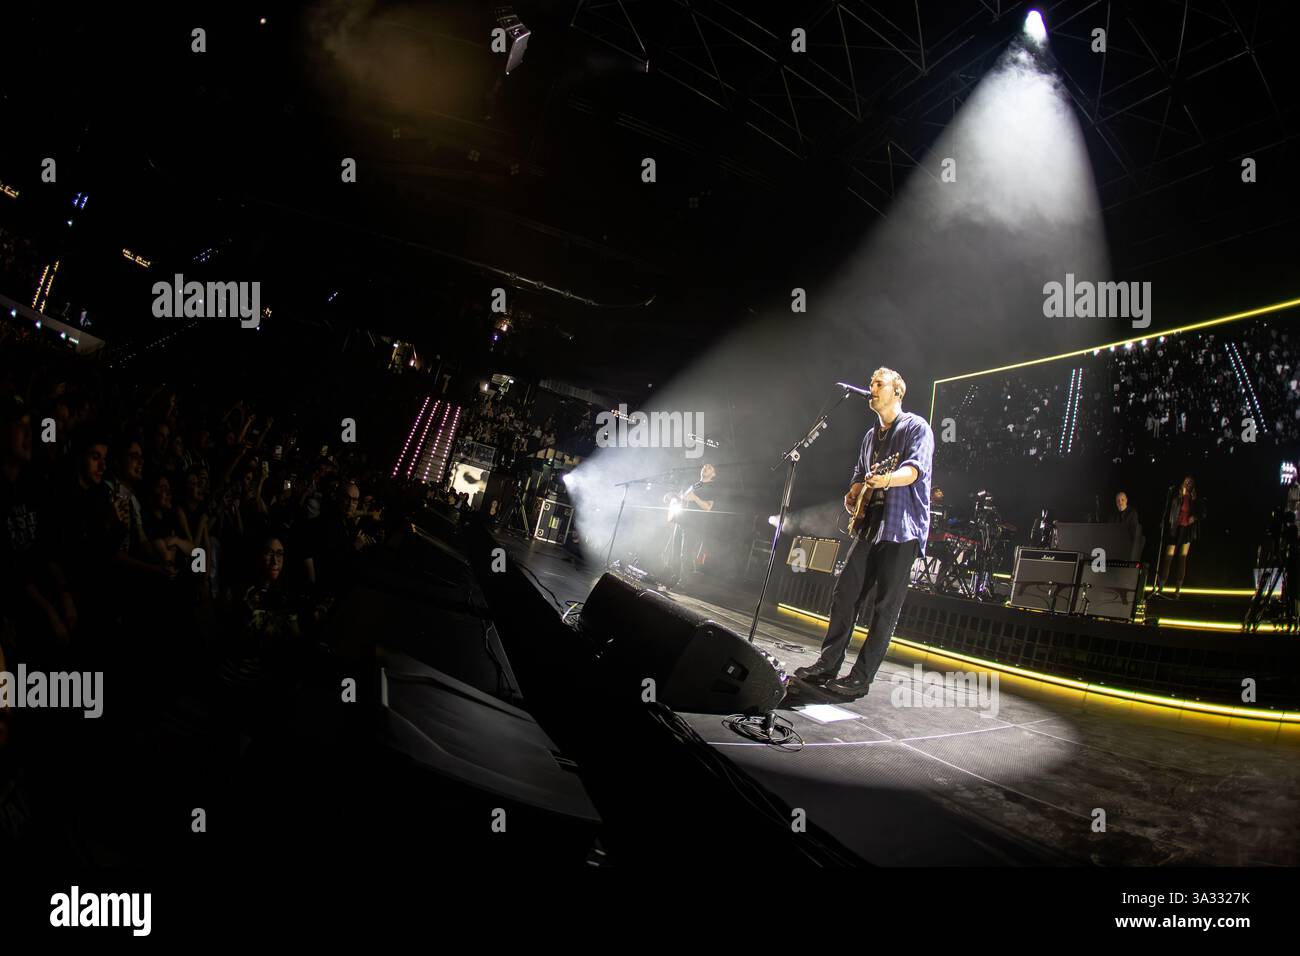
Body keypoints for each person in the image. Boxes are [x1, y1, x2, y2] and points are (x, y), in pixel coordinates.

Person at [794, 368, 934, 698]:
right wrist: (853, 492)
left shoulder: (917, 427)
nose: (871, 388)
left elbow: (914, 471)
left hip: (902, 530)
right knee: (846, 594)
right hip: (870, 526)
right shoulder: (871, 437)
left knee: (885, 608)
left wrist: (885, 479)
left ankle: (860, 678)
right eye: (871, 383)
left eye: (878, 384)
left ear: (897, 392)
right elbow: (859, 474)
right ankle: (828, 664)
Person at [662, 462, 718, 587]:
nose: (705, 468)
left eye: (709, 467)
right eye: (704, 466)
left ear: (714, 474)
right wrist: (673, 497)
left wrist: (695, 498)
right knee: (674, 552)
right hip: (681, 522)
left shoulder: (713, 487)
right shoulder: (695, 485)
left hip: (694, 525)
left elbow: (708, 507)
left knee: (685, 555)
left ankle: (684, 584)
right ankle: (675, 577)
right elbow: (683, 499)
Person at [1155, 475, 1202, 597]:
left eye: (1190, 482)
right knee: (1167, 558)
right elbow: (1168, 510)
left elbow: (1203, 512)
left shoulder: (1194, 498)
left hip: (1186, 530)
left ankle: (1178, 589)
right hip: (1174, 529)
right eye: (1186, 481)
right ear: (1182, 482)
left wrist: (1194, 517)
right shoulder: (1176, 495)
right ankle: (1161, 586)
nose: (1188, 484)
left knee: (1182, 558)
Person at [1110, 490, 1144, 561]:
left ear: (1126, 500)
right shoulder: (1113, 514)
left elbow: (1134, 532)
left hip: (1127, 543)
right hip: (1115, 543)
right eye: (1118, 501)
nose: (1120, 502)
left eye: (1122, 500)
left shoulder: (1132, 513)